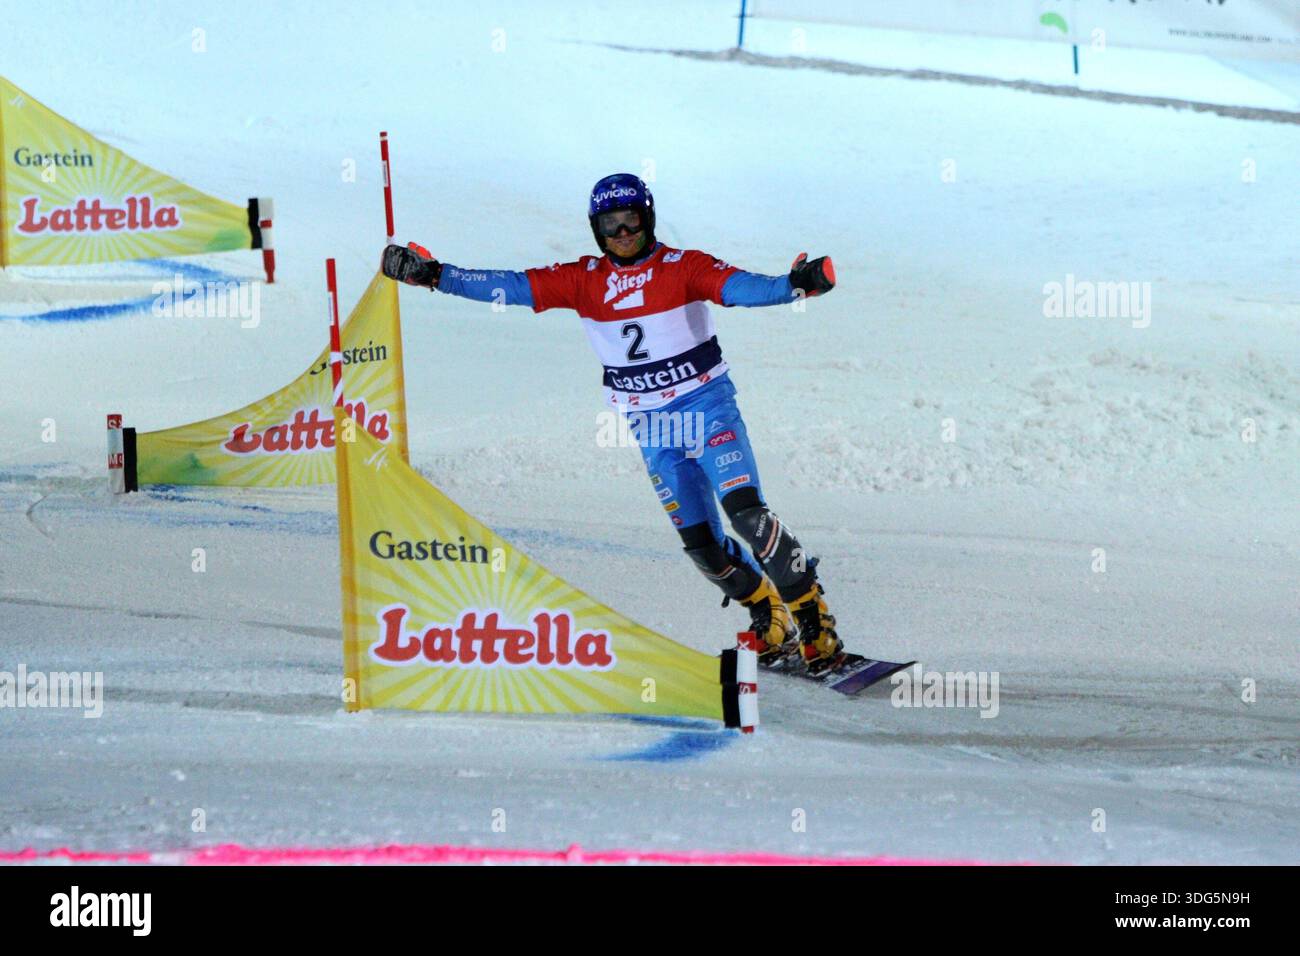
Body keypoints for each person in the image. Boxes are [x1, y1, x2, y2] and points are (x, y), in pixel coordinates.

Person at [381, 173, 845, 673]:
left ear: (648, 219)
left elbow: (742, 288)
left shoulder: (683, 266)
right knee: (704, 549)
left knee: (748, 515)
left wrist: (794, 285)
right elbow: (510, 286)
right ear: (596, 228)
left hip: (708, 411)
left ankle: (813, 618)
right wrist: (432, 274)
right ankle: (768, 614)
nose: (622, 233)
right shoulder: (583, 279)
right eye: (610, 224)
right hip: (653, 429)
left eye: (631, 220)